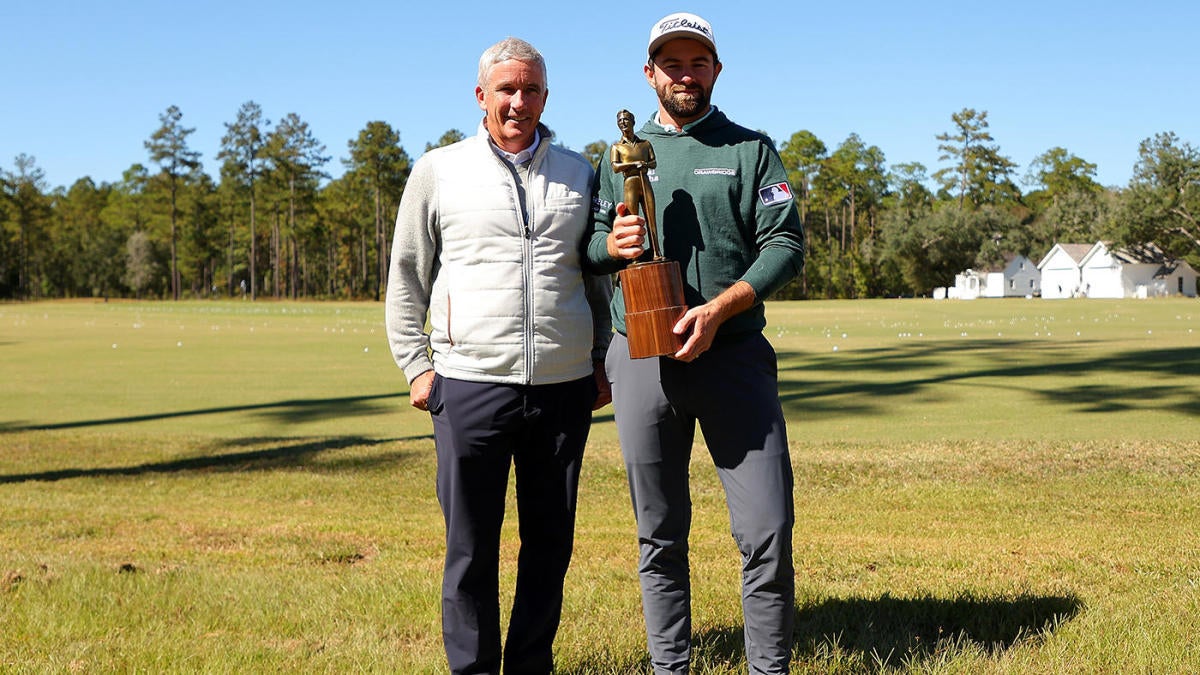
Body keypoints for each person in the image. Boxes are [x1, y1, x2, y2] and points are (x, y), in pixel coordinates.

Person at [584, 12, 805, 674]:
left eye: (697, 62)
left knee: (767, 530)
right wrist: (611, 244)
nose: (685, 74)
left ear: (716, 70)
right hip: (641, 358)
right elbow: (590, 245)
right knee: (659, 534)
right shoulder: (615, 156)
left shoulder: (751, 150)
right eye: (671, 64)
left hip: (733, 356)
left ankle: (769, 668)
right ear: (649, 73)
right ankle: (669, 666)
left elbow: (785, 245)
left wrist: (719, 309)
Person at [385, 36, 611, 675]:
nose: (518, 101)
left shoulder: (580, 173)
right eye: (506, 89)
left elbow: (596, 278)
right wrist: (417, 366)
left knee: (550, 546)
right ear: (481, 95)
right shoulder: (439, 170)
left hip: (563, 386)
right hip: (468, 384)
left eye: (530, 89)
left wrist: (599, 358)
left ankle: (531, 665)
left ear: (546, 96)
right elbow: (407, 274)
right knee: (470, 549)